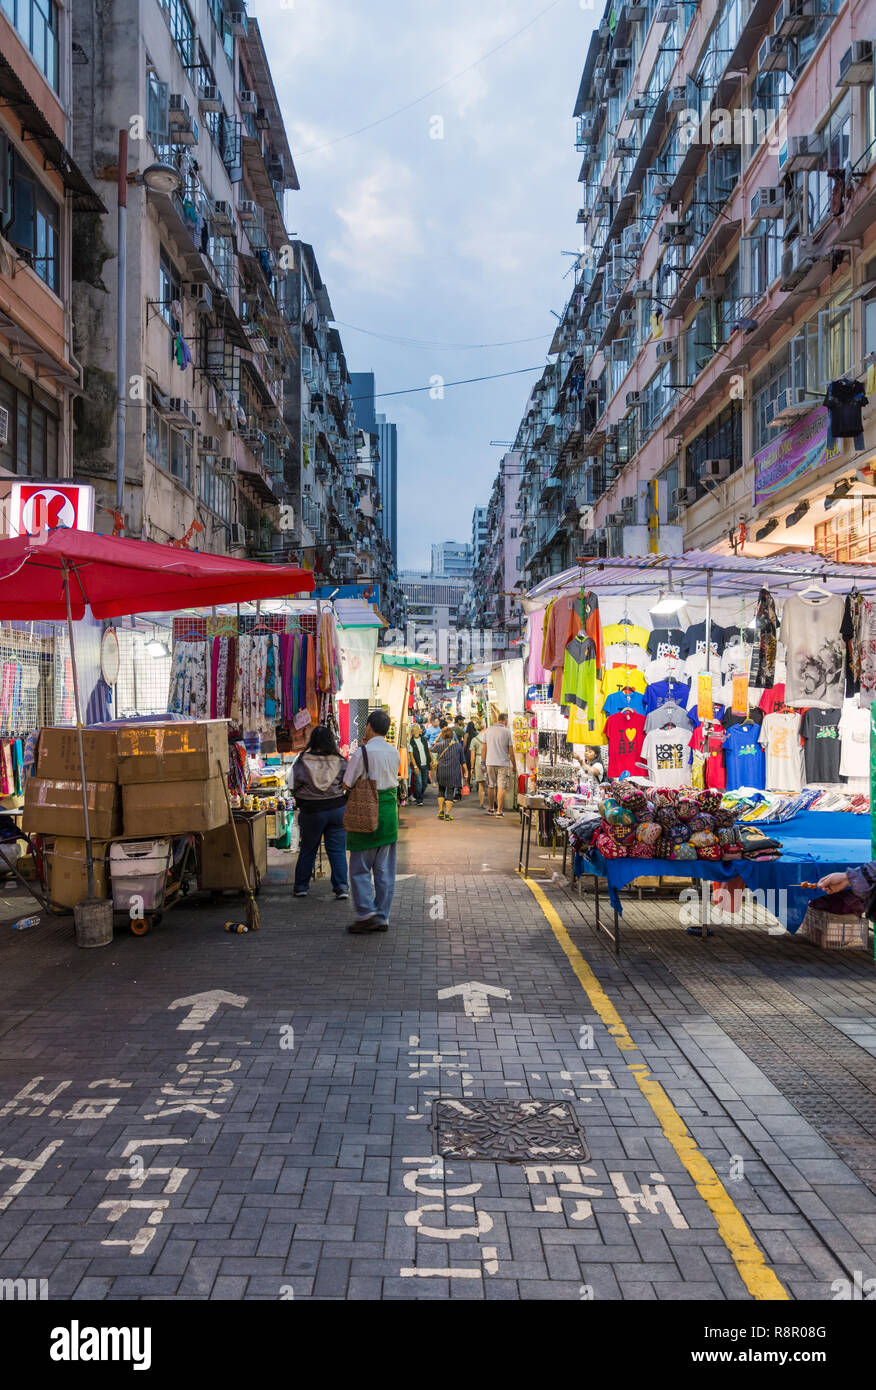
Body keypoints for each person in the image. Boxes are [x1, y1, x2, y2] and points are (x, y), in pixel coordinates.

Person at [343, 709, 401, 933]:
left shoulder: (362, 753)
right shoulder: (394, 752)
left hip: (365, 812)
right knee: (385, 870)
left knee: (359, 868)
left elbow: (348, 783)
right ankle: (382, 916)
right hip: (388, 813)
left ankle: (366, 913)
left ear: (368, 726)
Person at [288, 725, 349, 900]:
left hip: (311, 811)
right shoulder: (340, 761)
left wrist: (302, 799)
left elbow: (292, 784)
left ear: (313, 740)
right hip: (337, 810)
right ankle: (341, 887)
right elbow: (349, 782)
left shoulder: (302, 760)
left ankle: (301, 886)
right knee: (337, 850)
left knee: (308, 849)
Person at [481, 712, 517, 817]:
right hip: (503, 763)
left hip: (490, 762)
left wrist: (482, 763)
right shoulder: (507, 732)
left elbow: (484, 749)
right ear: (505, 721)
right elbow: (511, 751)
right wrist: (514, 765)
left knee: (491, 785)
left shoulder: (488, 731)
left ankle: (491, 808)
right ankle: (499, 811)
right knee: (502, 786)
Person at [433, 725, 467, 820]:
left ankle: (440, 811)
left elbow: (432, 747)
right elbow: (463, 761)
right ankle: (447, 814)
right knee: (450, 791)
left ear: (443, 736)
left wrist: (439, 737)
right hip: (453, 772)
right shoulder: (457, 746)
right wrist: (466, 772)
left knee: (441, 790)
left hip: (442, 771)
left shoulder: (439, 745)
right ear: (452, 735)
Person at [408, 723, 432, 805]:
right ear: (411, 732)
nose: (416, 732)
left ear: (420, 731)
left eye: (417, 730)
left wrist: (431, 761)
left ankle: (418, 794)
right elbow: (411, 756)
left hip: (425, 765)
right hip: (417, 765)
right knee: (419, 783)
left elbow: (429, 751)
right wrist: (415, 767)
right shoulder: (411, 743)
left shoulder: (424, 740)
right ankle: (419, 799)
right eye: (414, 731)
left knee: (424, 783)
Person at [469, 721, 487, 807]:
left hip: (479, 760)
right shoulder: (488, 737)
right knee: (492, 783)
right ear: (484, 727)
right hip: (489, 759)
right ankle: (493, 803)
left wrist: (471, 768)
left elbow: (472, 756)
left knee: (481, 783)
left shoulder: (474, 740)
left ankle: (481, 803)